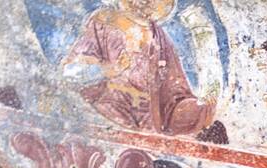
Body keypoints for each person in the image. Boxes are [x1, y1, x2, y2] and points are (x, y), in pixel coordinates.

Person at [63, 0, 216, 136]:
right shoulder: (105, 21)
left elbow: (174, 95)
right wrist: (108, 69)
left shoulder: (159, 37)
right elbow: (70, 71)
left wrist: (196, 109)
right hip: (107, 111)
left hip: (148, 123)